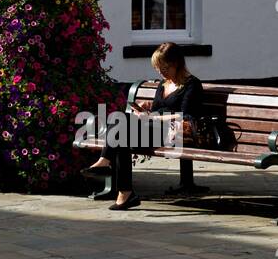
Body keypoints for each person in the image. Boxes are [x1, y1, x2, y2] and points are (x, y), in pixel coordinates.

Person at [82, 42, 204, 211]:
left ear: (176, 63)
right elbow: (155, 109)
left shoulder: (192, 85)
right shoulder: (164, 84)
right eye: (157, 68)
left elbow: (186, 116)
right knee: (119, 127)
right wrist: (146, 107)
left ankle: (110, 170)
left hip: (172, 134)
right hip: (153, 129)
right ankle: (124, 192)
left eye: (164, 67)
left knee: (120, 124)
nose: (161, 72)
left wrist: (153, 116)